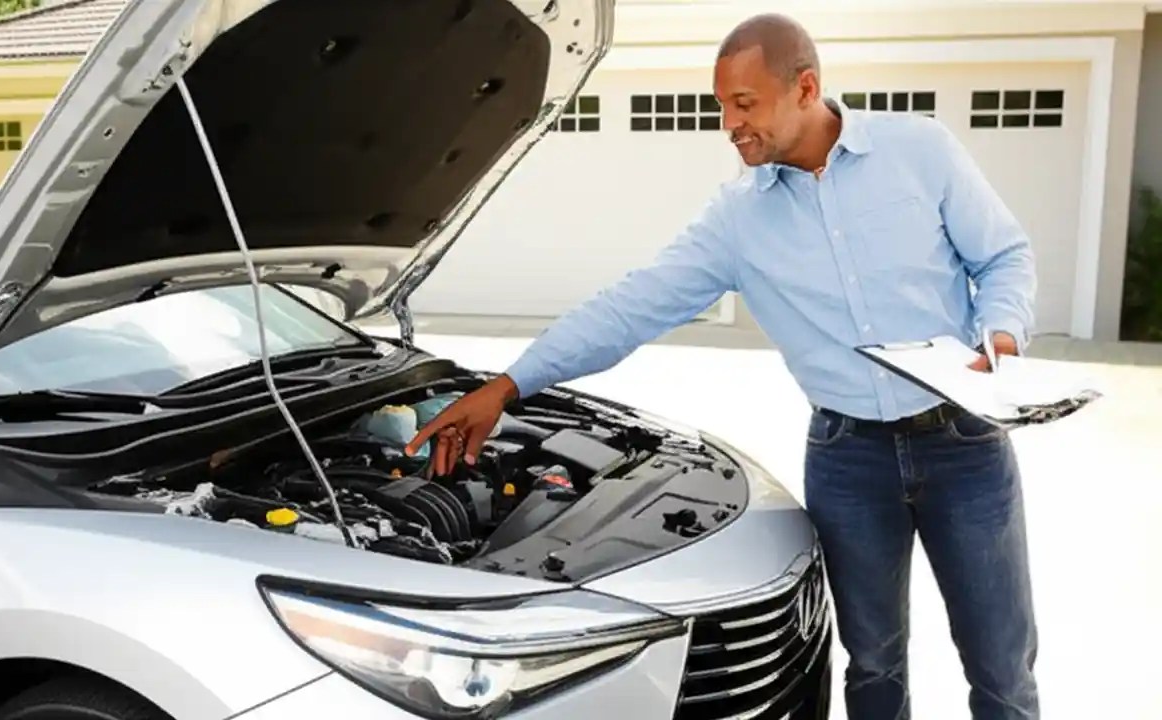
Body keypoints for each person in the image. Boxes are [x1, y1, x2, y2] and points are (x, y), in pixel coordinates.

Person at [406, 12, 1040, 720]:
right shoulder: (738, 220)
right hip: (849, 460)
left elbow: (1004, 257)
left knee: (1001, 668)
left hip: (965, 447)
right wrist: (509, 384)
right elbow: (630, 307)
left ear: (806, 87)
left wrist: (1003, 333)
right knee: (874, 665)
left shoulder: (920, 150)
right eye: (721, 107)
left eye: (745, 104)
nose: (730, 125)